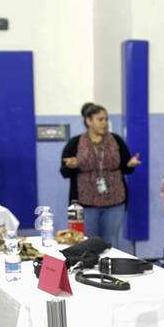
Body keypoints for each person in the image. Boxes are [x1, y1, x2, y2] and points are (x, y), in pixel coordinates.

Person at [59, 103, 141, 242]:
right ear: (88, 121)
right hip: (86, 204)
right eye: (100, 119)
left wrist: (130, 165)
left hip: (115, 202)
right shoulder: (76, 143)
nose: (104, 123)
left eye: (106, 119)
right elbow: (64, 172)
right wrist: (72, 166)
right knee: (88, 242)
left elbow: (126, 169)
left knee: (111, 242)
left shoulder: (116, 141)